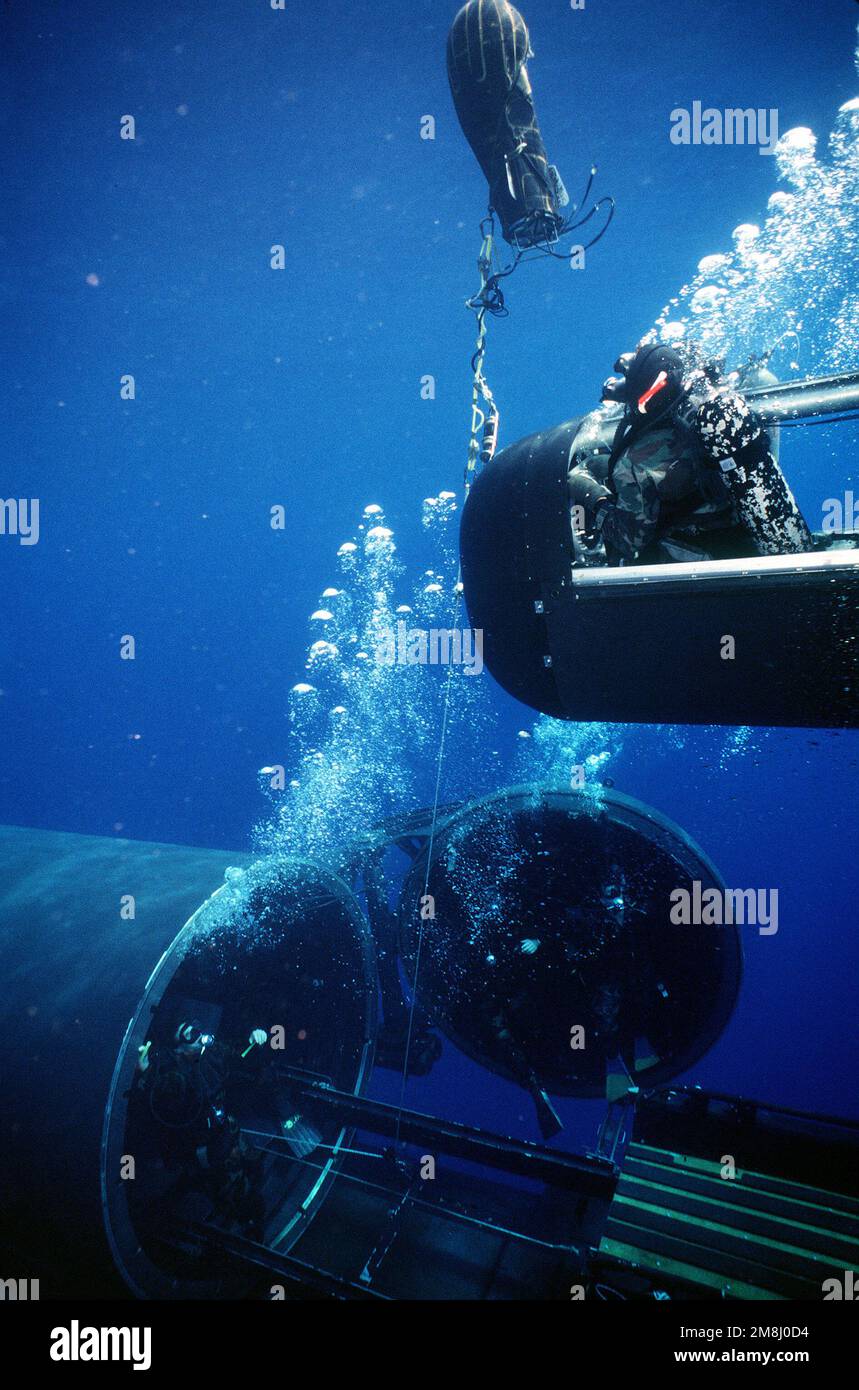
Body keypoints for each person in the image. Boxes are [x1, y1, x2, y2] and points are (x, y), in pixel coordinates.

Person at [567, 343, 812, 565]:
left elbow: (630, 539)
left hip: (707, 556)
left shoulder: (635, 463)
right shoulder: (708, 408)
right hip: (740, 530)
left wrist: (595, 499)